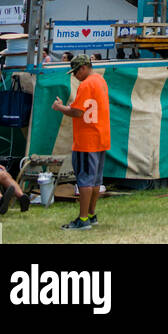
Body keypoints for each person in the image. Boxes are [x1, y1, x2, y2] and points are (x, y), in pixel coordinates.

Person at [51, 54, 110, 232]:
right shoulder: (100, 80)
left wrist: (60, 107)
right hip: (101, 137)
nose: (75, 75)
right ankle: (91, 215)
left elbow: (77, 111)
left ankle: (83, 219)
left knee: (84, 181)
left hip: (86, 139)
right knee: (95, 181)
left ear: (83, 68)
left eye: (75, 71)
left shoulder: (86, 84)